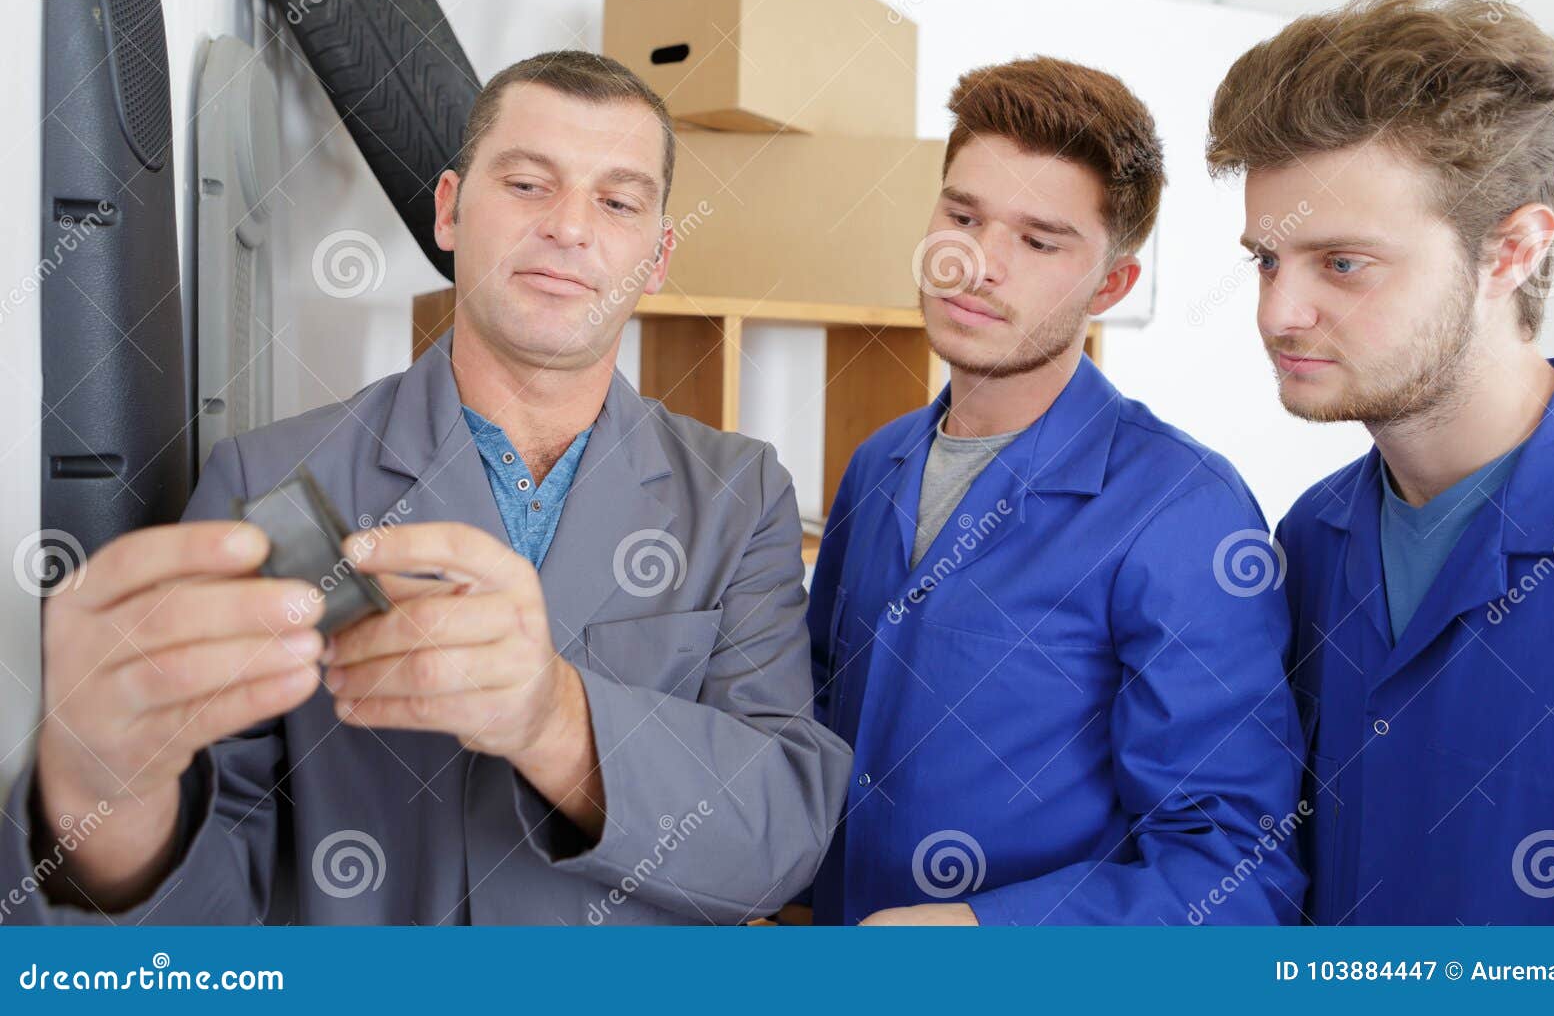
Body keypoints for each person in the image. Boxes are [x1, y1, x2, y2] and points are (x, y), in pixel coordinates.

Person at [1, 50, 850, 925]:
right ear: (449, 210)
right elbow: (213, 890)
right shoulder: (278, 486)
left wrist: (557, 719)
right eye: (526, 184)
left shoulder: (740, 494)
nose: (569, 226)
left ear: (659, 252)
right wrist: (105, 804)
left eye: (618, 201)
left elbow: (777, 833)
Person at [805, 56, 1306, 925]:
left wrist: (987, 935)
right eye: (962, 215)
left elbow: (1236, 872)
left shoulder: (1184, 511)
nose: (976, 263)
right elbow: (812, 732)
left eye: (1038, 242)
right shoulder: (876, 463)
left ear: (1110, 283)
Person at [1207, 0, 1554, 923]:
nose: (1276, 312)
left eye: (1341, 263)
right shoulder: (1308, 539)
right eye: (1267, 260)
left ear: (1511, 251)